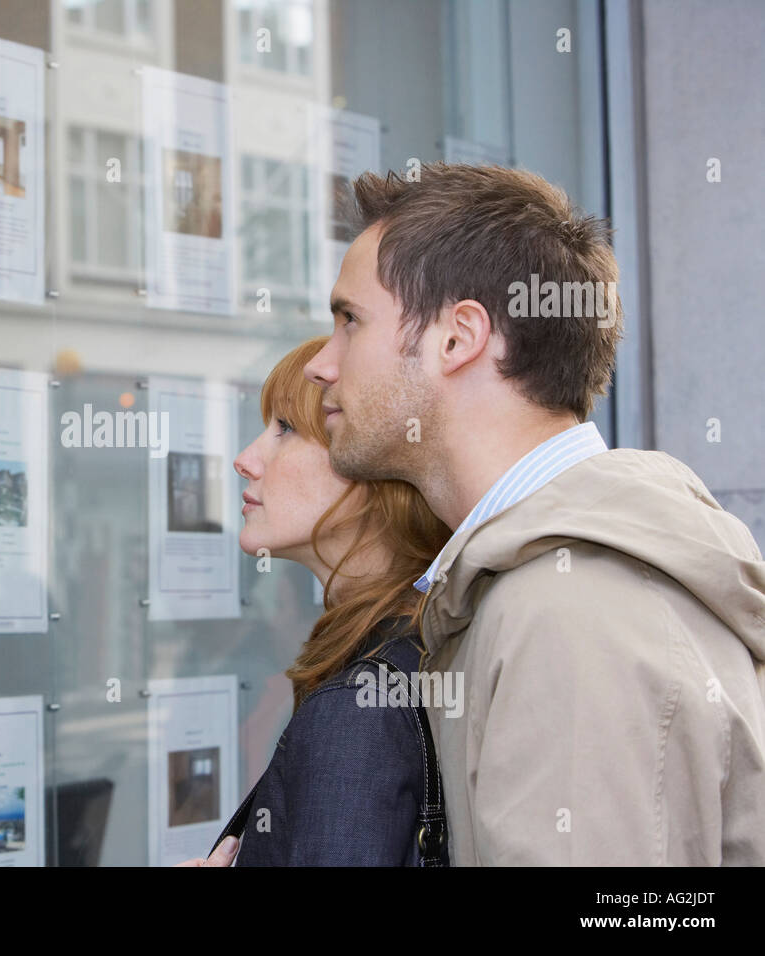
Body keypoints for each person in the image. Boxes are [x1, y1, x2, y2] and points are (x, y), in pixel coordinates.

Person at [302, 161, 765, 864]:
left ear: (458, 338)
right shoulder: (545, 580)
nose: (321, 364)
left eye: (349, 321)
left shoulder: (569, 609)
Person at [177, 336, 452, 866]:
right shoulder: (422, 649)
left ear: (369, 470)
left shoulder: (357, 706)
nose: (245, 459)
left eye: (286, 429)